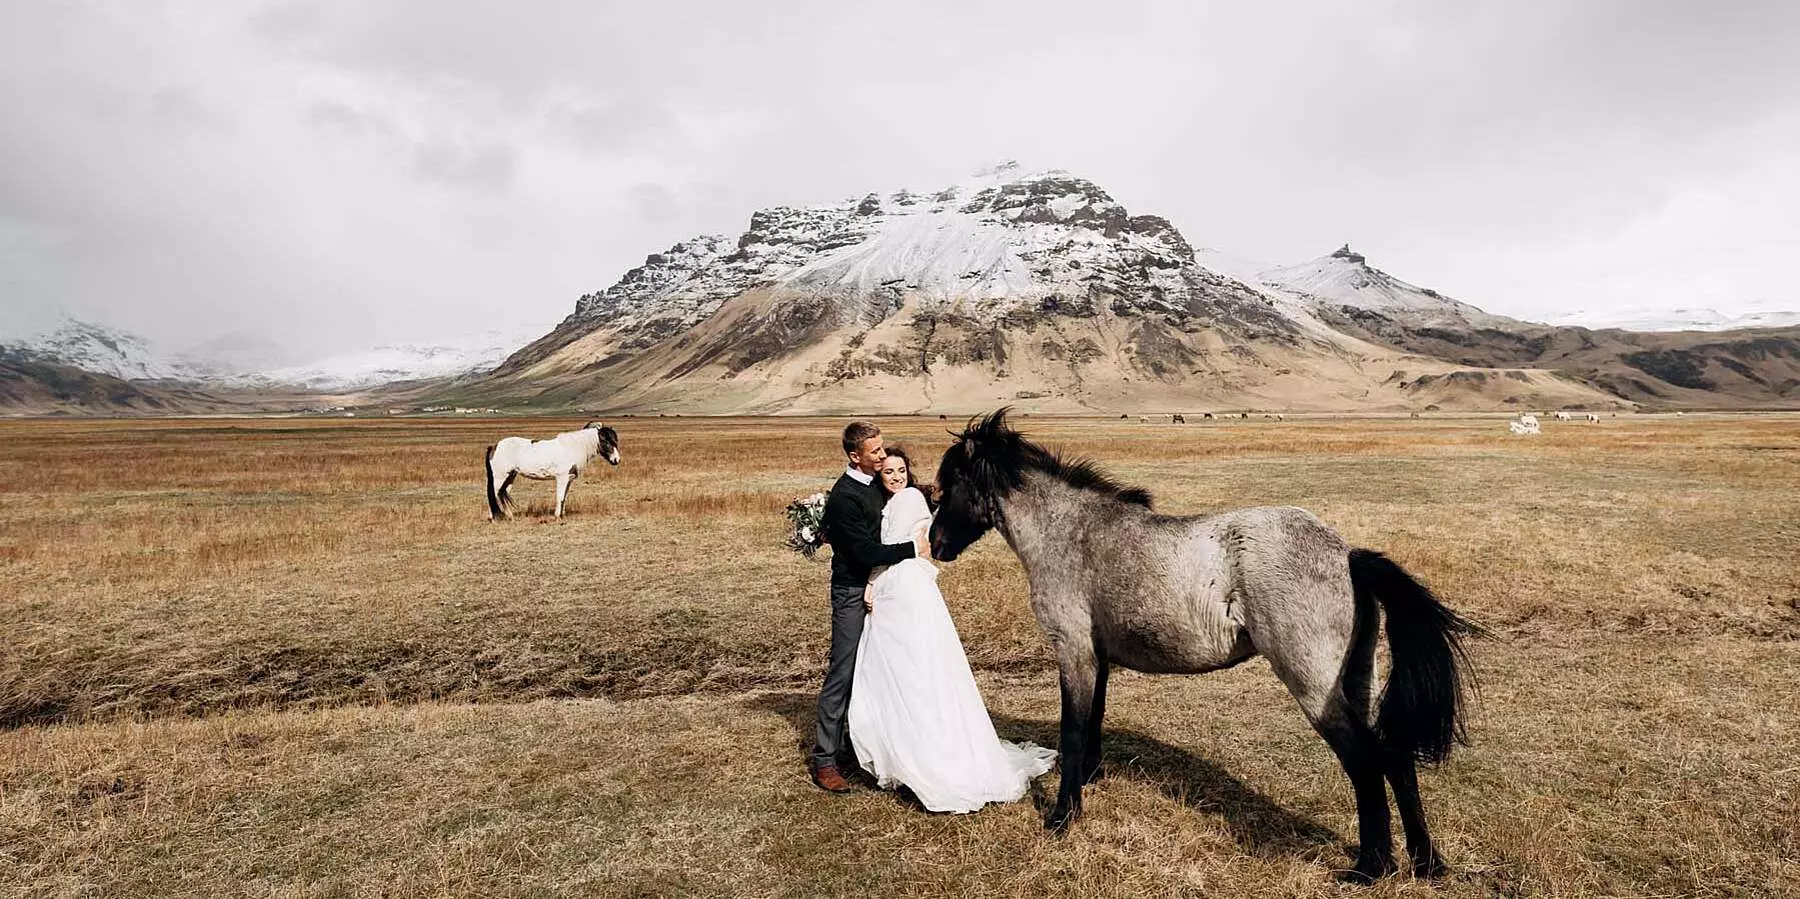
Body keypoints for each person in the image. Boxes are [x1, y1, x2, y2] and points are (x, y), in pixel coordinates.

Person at [846, 445, 1057, 813]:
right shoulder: (895, 502)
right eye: (887, 473)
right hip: (899, 587)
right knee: (904, 671)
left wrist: (872, 581)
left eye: (900, 470)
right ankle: (906, 752)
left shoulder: (910, 498)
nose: (895, 477)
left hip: (905, 588)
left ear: (909, 473)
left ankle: (926, 758)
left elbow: (915, 548)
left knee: (915, 671)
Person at [809, 421, 927, 792]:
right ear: (854, 456)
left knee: (883, 667)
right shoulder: (846, 496)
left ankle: (872, 746)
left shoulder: (875, 482)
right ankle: (825, 759)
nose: (882, 455)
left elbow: (901, 499)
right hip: (852, 589)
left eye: (881, 449)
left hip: (887, 588)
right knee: (843, 670)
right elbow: (864, 553)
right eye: (875, 452)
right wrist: (914, 549)